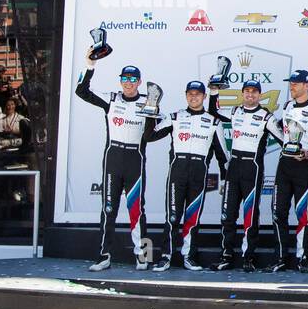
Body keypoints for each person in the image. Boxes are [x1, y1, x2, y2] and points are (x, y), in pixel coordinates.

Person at [75, 53, 159, 272]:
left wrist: (152, 113)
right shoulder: (111, 99)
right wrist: (90, 65)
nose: (129, 83)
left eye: (133, 79)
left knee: (137, 210)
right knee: (109, 209)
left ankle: (145, 256)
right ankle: (103, 256)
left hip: (135, 159)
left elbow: (151, 135)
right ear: (120, 80)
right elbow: (81, 91)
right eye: (125, 79)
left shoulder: (147, 101)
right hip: (113, 158)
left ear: (139, 82)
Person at [147, 80, 227, 271]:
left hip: (199, 173)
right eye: (190, 93)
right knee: (172, 217)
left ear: (204, 96)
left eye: (197, 94)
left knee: (192, 218)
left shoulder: (214, 122)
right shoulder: (175, 117)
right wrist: (151, 113)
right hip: (177, 172)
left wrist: (224, 180)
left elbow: (223, 155)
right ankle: (165, 256)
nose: (194, 97)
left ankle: (189, 257)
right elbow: (150, 136)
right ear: (185, 95)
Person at [268, 69, 308, 272]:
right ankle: (280, 257)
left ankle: (302, 257)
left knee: (302, 214)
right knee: (278, 212)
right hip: (284, 164)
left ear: (307, 86)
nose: (292, 86)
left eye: (296, 83)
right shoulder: (287, 107)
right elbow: (283, 134)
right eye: (291, 83)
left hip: (305, 166)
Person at [210, 78, 276, 272]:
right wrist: (214, 92)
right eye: (247, 91)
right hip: (234, 166)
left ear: (259, 95)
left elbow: (283, 138)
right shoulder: (235, 111)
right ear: (242, 94)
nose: (250, 95)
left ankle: (248, 258)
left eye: (254, 92)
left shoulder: (267, 117)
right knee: (228, 215)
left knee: (250, 215)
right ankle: (226, 256)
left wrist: (298, 150)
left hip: (253, 167)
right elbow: (214, 112)